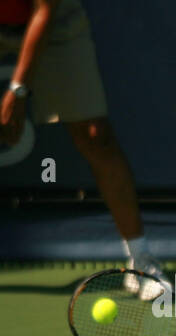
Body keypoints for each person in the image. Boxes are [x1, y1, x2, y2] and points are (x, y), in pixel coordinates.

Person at [0, 0, 167, 297]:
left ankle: (142, 262)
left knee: (95, 135)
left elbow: (44, 8)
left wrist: (17, 90)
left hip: (51, 19)